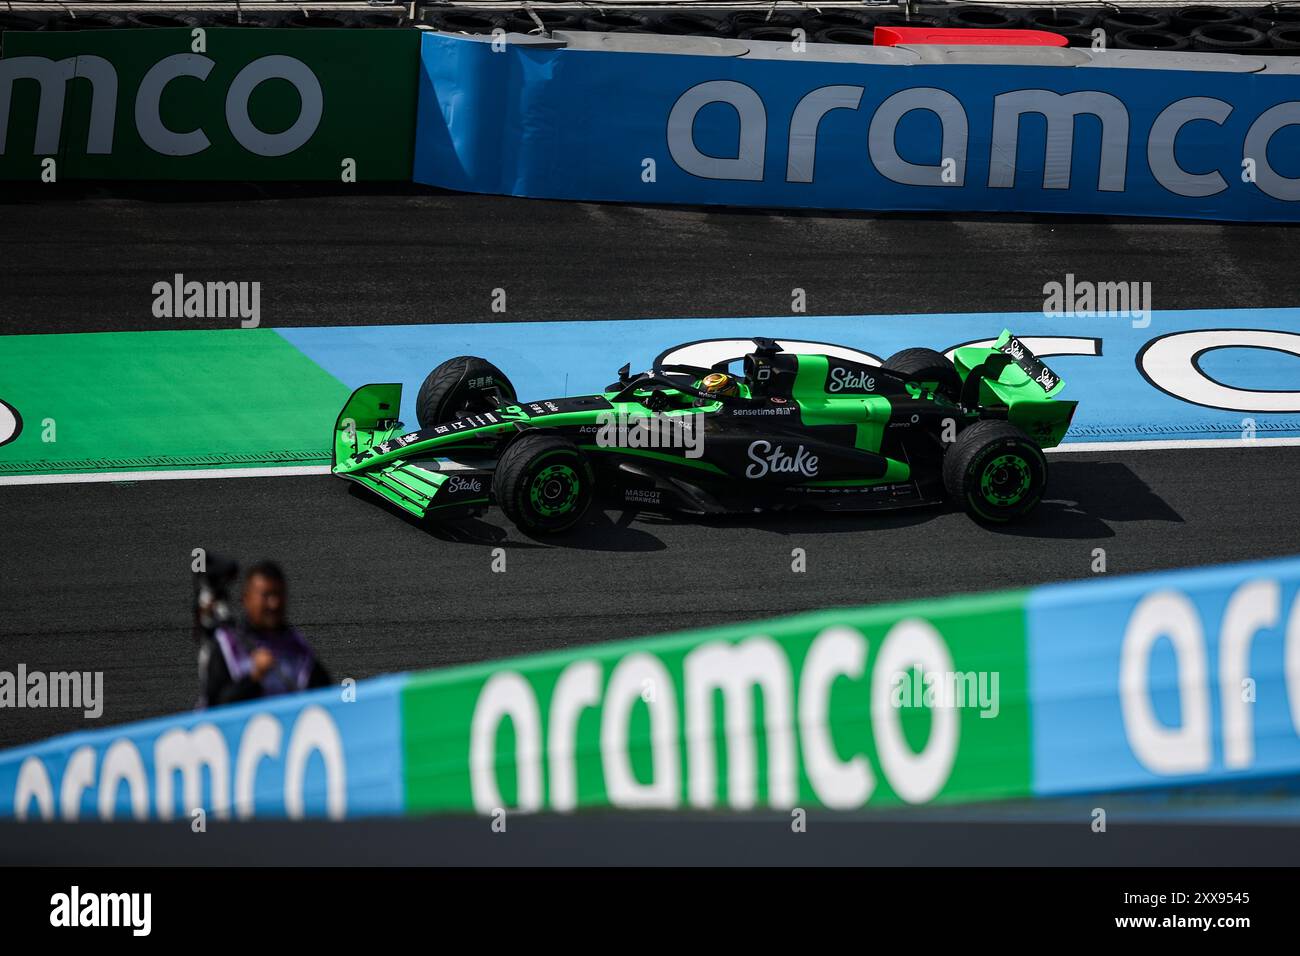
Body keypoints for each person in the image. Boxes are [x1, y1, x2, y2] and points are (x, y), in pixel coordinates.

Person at [197, 561, 331, 708]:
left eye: (279, 595)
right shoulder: (227, 646)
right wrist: (254, 677)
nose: (274, 604)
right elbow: (213, 710)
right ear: (246, 599)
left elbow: (327, 699)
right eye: (266, 596)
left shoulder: (298, 649)